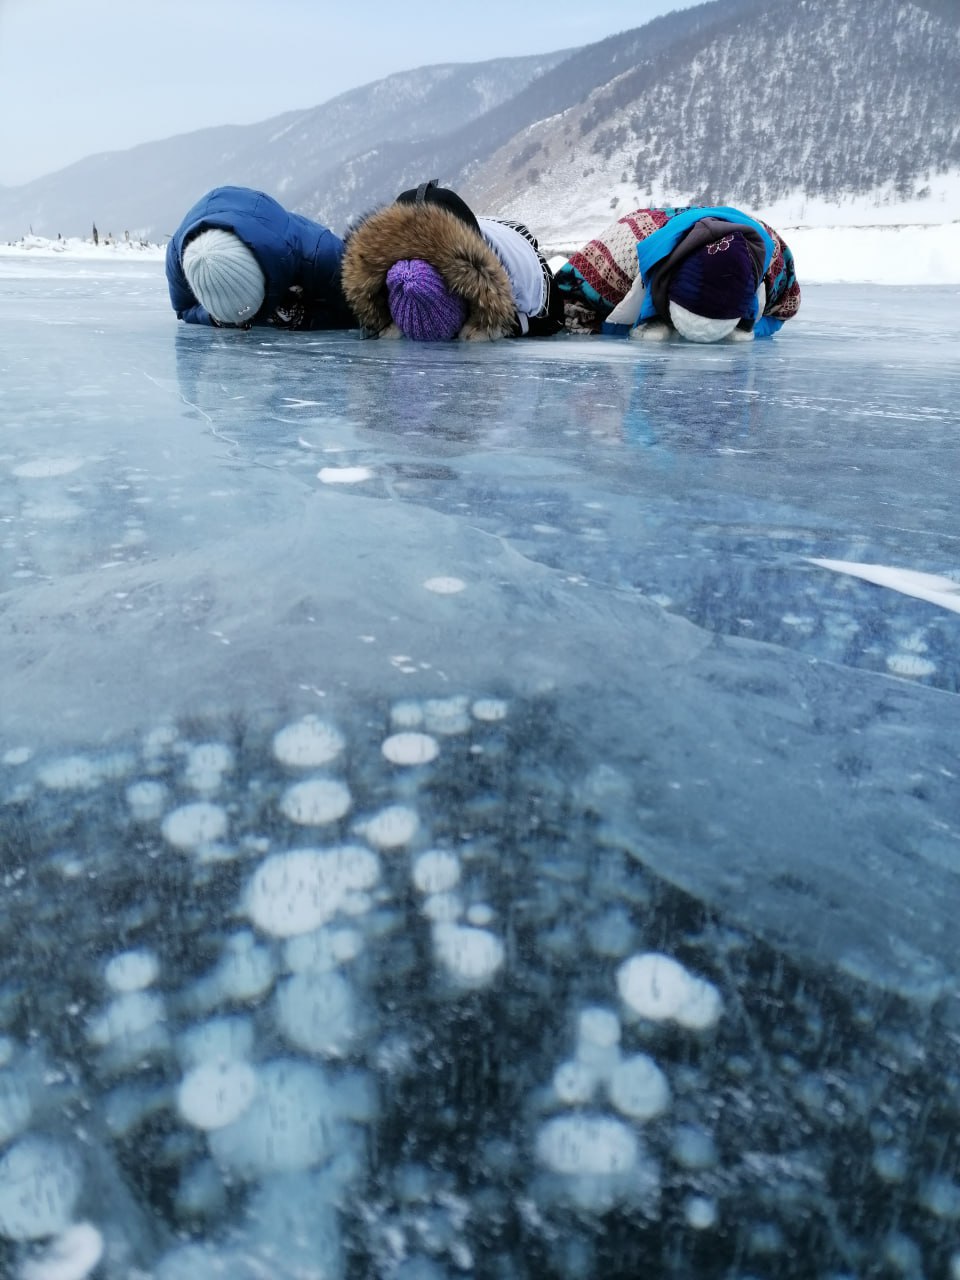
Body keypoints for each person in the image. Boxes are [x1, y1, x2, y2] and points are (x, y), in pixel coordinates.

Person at [340, 179, 564, 341]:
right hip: (466, 229)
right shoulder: (379, 277)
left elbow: (551, 319)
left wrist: (494, 327)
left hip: (513, 240)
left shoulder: (520, 288)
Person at [555, 205, 801, 342]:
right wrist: (635, 327)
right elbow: (562, 306)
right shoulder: (619, 254)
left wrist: (744, 331)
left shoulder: (776, 266)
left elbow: (783, 313)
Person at [166, 186, 355, 330]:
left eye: (247, 311)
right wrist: (212, 317)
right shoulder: (178, 258)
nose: (243, 323)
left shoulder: (319, 255)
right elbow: (185, 310)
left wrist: (304, 318)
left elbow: (358, 314)